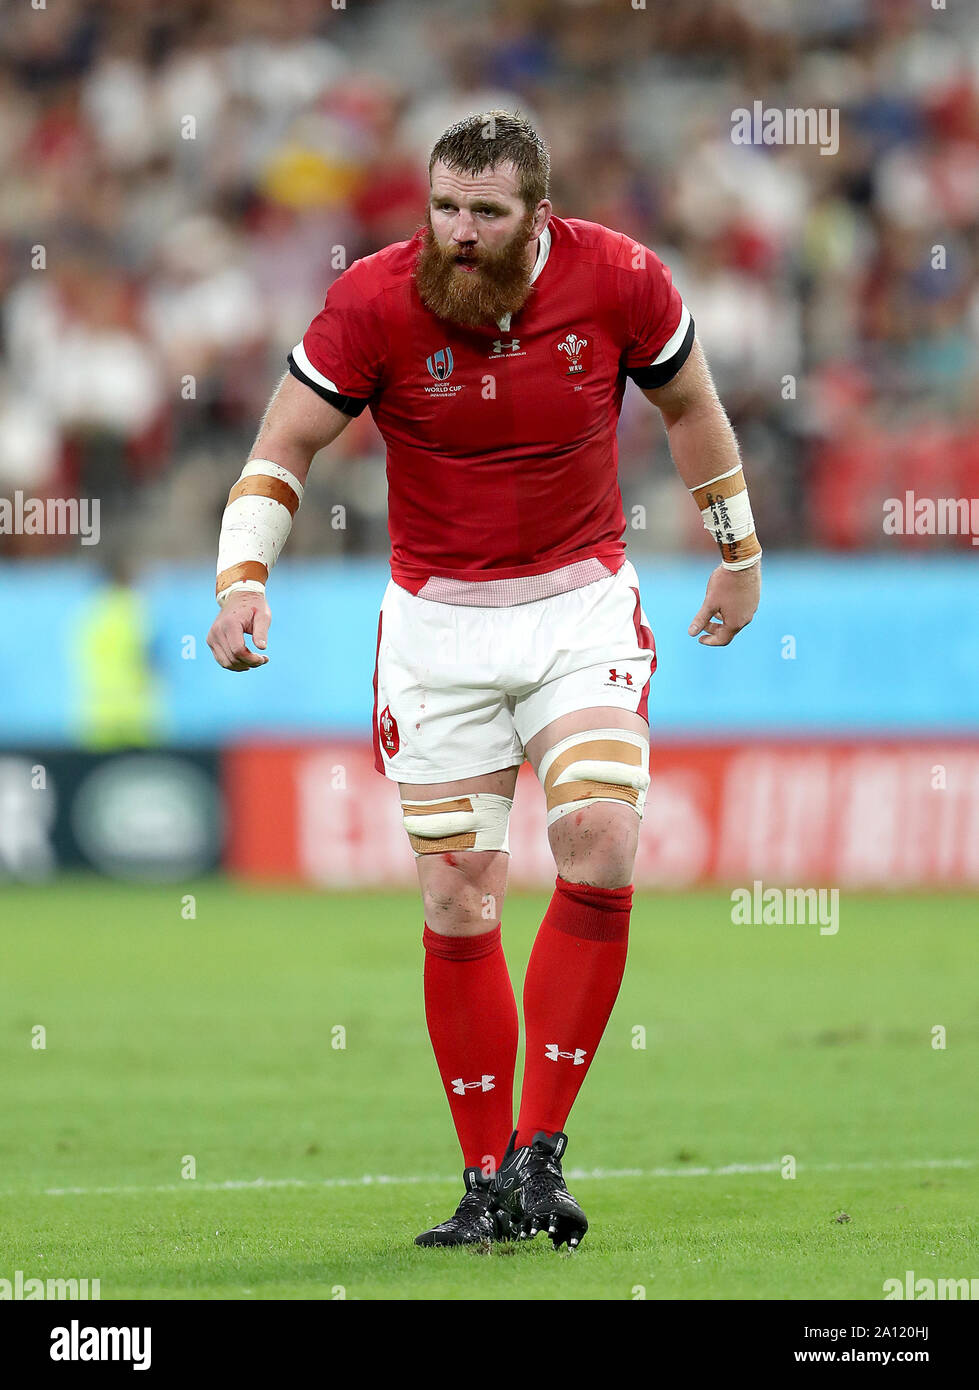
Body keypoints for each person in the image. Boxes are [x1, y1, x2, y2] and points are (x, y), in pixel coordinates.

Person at [206, 111, 761, 1250]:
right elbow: (285, 441)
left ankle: (539, 1152)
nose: (457, 233)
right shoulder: (373, 299)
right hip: (435, 630)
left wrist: (738, 552)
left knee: (600, 838)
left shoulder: (622, 281)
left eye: (485, 213)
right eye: (444, 208)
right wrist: (241, 574)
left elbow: (690, 404)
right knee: (459, 897)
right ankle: (482, 1180)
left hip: (578, 607)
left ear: (536, 217)